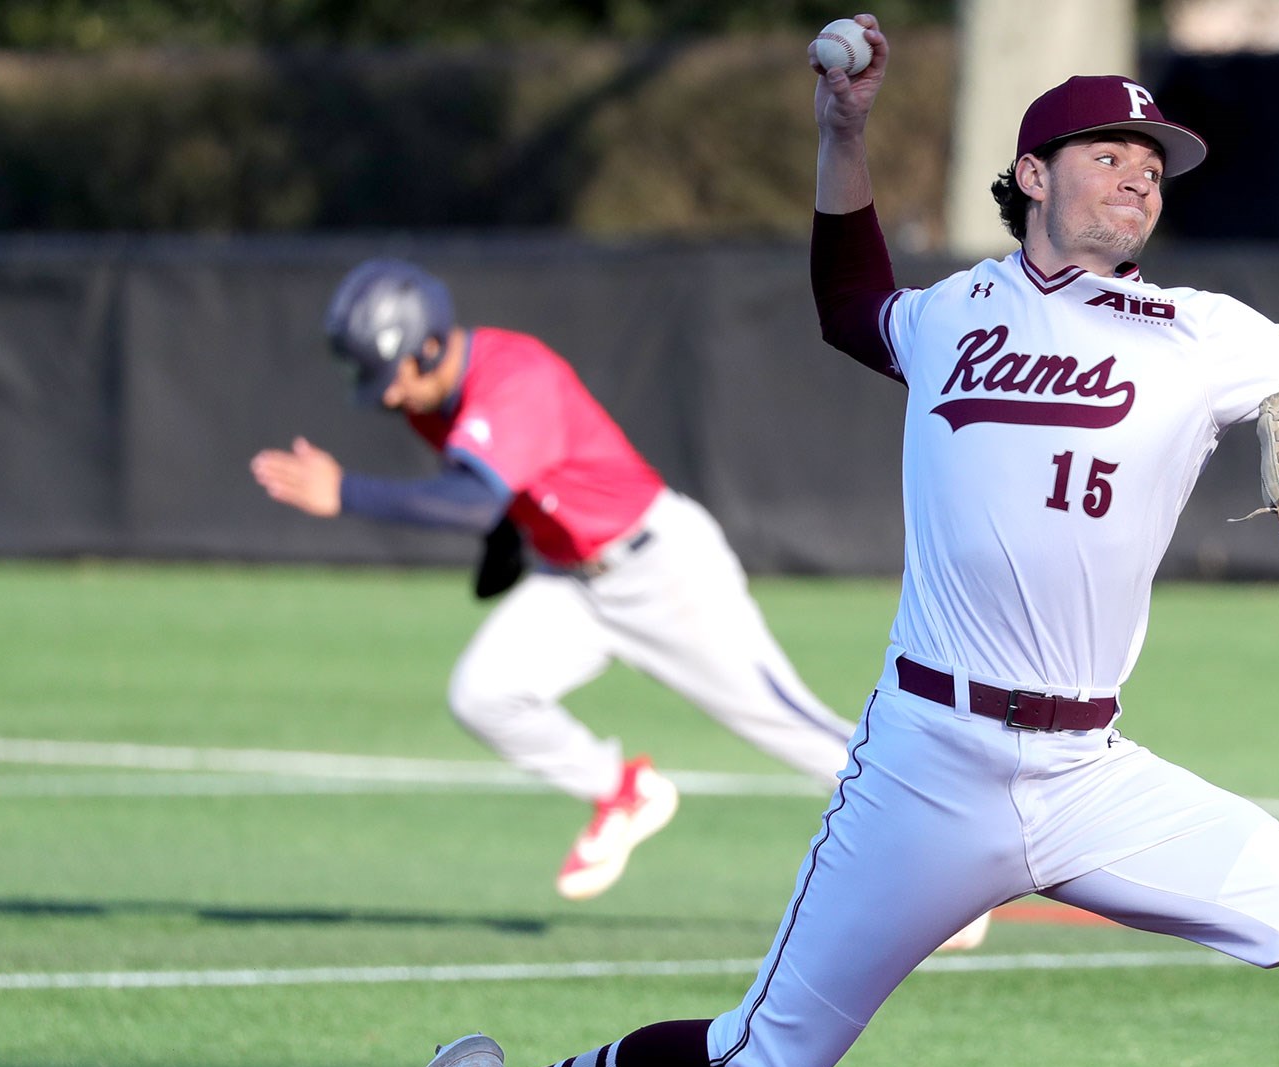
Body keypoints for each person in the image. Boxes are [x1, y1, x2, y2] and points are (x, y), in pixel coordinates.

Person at [346, 15, 1279, 1067]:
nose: (1139, 176)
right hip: (927, 761)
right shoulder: (949, 314)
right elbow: (845, 301)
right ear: (1032, 172)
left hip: (1085, 770)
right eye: (1107, 155)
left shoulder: (1204, 333)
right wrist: (844, 129)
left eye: (1152, 162)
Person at [250, 259, 856, 903]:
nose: (388, 397)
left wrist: (345, 491)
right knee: (484, 694)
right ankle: (623, 791)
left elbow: (474, 500)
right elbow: (511, 495)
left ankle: (948, 846)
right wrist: (508, 538)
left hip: (662, 571)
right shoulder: (431, 400)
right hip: (574, 580)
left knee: (789, 725)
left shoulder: (514, 375)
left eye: (390, 377)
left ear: (428, 347)